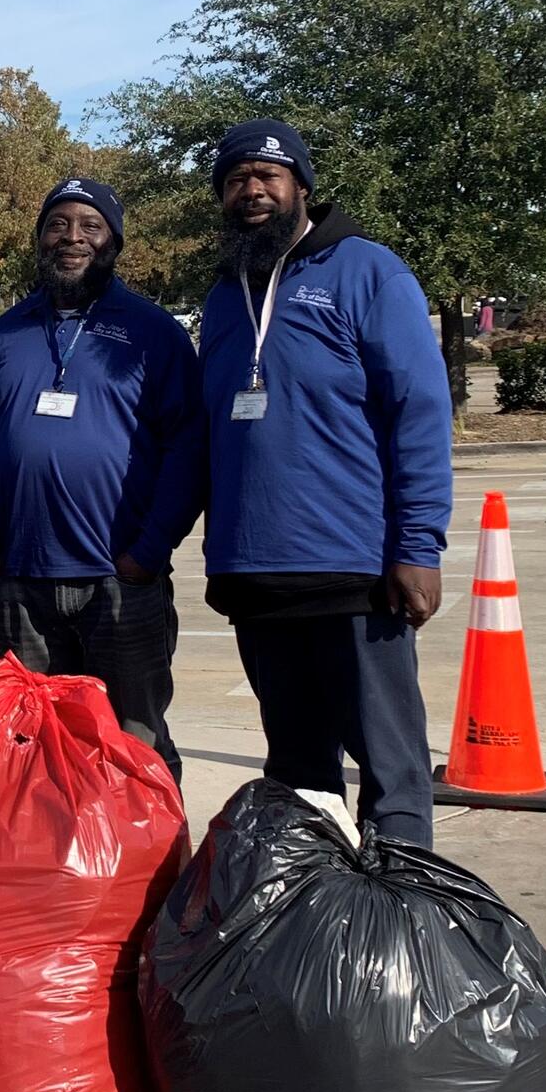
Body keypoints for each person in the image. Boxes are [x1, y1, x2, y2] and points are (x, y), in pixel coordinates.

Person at [199, 118, 452, 846]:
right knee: (297, 779)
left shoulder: (367, 272)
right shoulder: (223, 295)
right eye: (236, 180)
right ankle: (319, 911)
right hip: (255, 575)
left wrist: (418, 547)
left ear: (301, 187)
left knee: (390, 772)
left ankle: (405, 904)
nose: (251, 190)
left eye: (267, 176)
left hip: (354, 572)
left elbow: (419, 412)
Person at [0, 176, 201, 778]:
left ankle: (151, 845)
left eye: (91, 225)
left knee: (134, 746)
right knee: (31, 755)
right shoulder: (1, 334)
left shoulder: (152, 333)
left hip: (119, 583)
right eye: (57, 224)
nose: (72, 237)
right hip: (20, 584)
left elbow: (189, 448)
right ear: (39, 239)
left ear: (114, 241)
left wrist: (148, 553)